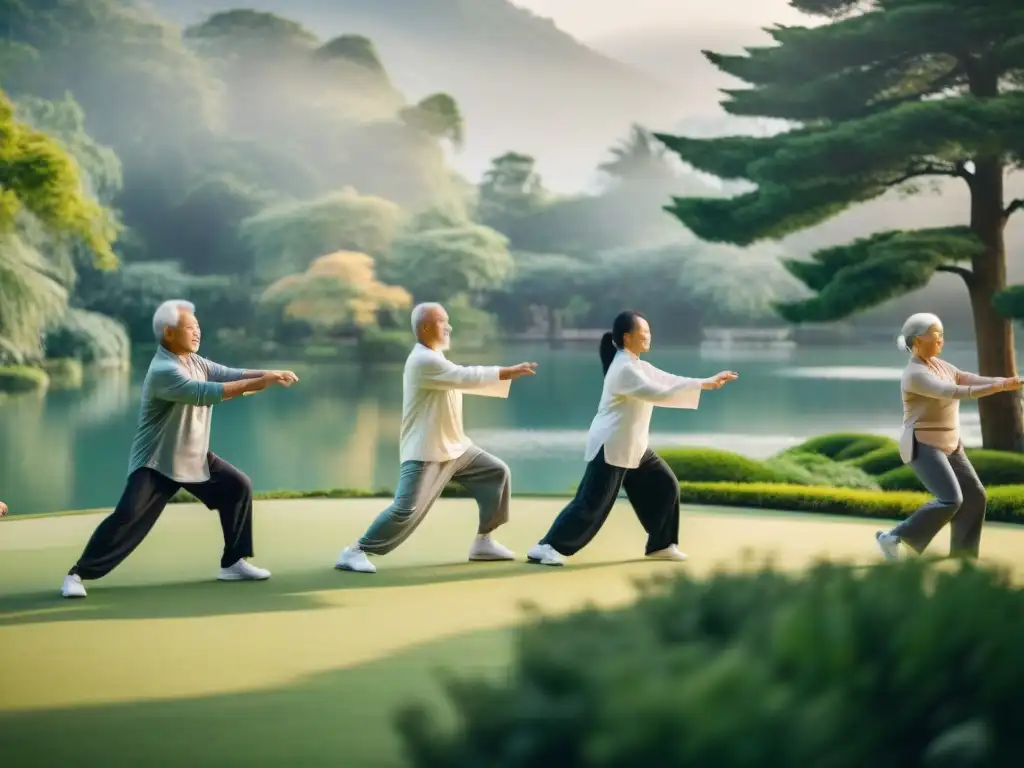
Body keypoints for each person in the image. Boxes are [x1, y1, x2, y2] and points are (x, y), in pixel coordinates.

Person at [60, 300, 299, 599]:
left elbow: (229, 374)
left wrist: (270, 374)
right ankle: (77, 574)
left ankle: (233, 563)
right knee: (128, 516)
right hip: (157, 461)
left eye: (198, 327)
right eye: (190, 328)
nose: (197, 332)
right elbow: (207, 393)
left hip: (193, 455)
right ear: (169, 333)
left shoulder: (195, 361)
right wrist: (261, 381)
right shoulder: (164, 369)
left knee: (237, 487)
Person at [335, 302, 537, 574]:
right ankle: (355, 551)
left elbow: (460, 378)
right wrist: (505, 371)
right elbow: (464, 376)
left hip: (457, 448)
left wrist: (502, 375)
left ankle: (484, 542)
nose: (449, 327)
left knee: (496, 473)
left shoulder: (435, 357)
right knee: (406, 509)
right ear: (426, 326)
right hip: (426, 450)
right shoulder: (423, 360)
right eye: (443, 322)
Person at [526, 310, 738, 567]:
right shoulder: (624, 368)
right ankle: (547, 546)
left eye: (649, 332)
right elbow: (658, 392)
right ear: (628, 338)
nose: (649, 336)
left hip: (634, 447)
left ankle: (661, 545)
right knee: (592, 505)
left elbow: (666, 379)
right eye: (644, 332)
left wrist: (705, 382)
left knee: (666, 486)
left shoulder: (636, 364)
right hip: (612, 446)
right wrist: (701, 385)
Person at [875, 312, 1021, 562]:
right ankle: (893, 537)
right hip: (923, 445)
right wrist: (1000, 387)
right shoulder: (915, 374)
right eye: (935, 335)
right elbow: (952, 391)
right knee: (950, 499)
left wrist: (1005, 380)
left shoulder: (941, 365)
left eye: (942, 334)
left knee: (975, 496)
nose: (941, 340)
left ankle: (963, 555)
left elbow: (967, 379)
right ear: (917, 341)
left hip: (952, 445)